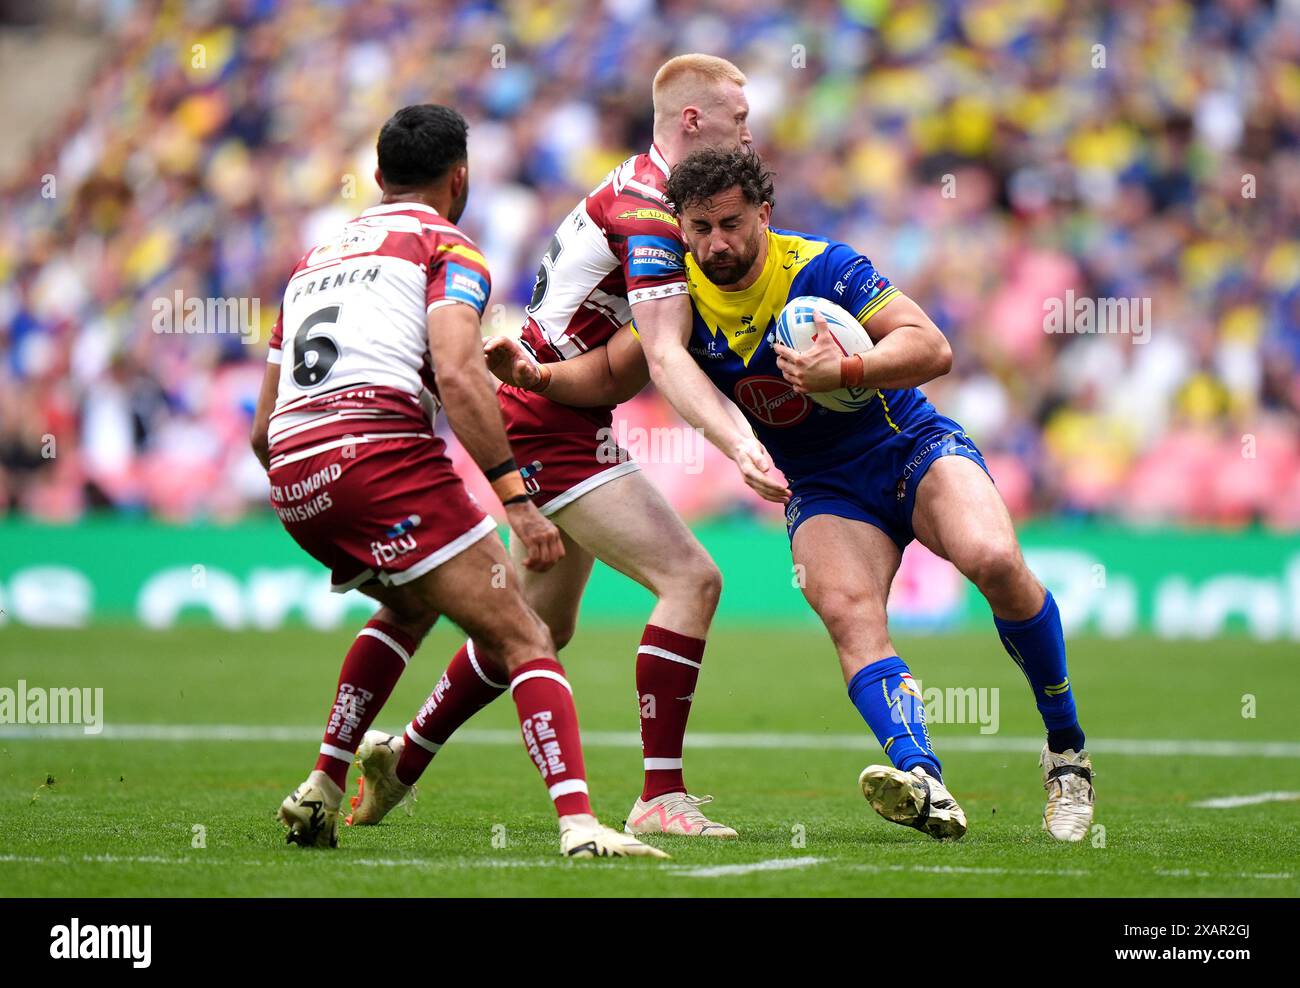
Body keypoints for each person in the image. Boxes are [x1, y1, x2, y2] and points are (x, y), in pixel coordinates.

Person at [483, 146, 1096, 842]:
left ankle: (1066, 751)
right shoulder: (677, 298)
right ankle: (924, 778)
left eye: (732, 223)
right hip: (823, 487)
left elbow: (932, 348)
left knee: (992, 559)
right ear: (681, 227)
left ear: (763, 214)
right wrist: (536, 378)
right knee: (849, 615)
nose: (718, 242)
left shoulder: (822, 266)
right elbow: (612, 375)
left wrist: (849, 367)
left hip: (911, 447)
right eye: (701, 227)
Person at [350, 55, 781, 841]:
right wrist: (739, 443)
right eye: (739, 117)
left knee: (536, 631)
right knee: (692, 579)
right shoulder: (651, 211)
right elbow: (659, 355)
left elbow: (626, 357)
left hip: (554, 409)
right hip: (547, 422)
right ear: (693, 121)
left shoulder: (660, 194)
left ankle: (402, 760)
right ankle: (659, 795)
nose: (750, 130)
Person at [249, 103, 664, 859]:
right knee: (527, 635)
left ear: (378, 177)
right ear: (460, 177)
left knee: (409, 605)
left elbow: (259, 428)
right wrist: (518, 502)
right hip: (378, 455)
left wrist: (317, 482)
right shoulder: (446, 245)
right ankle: (580, 824)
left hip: (292, 476)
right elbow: (460, 374)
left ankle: (323, 784)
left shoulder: (313, 261)